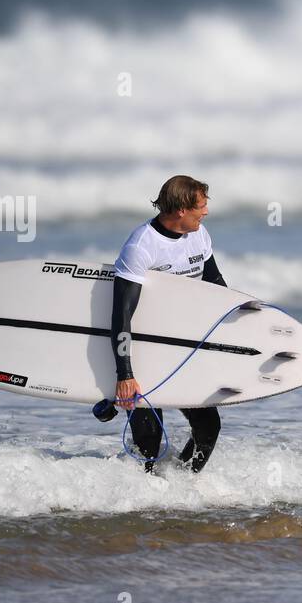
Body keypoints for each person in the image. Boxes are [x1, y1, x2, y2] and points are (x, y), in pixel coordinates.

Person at [109, 175, 228, 473]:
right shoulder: (142, 246)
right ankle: (140, 503)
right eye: (201, 206)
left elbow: (215, 284)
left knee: (208, 426)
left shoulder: (199, 234)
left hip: (182, 346)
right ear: (181, 210)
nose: (206, 212)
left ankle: (180, 486)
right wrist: (125, 374)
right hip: (144, 349)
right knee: (149, 438)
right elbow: (121, 313)